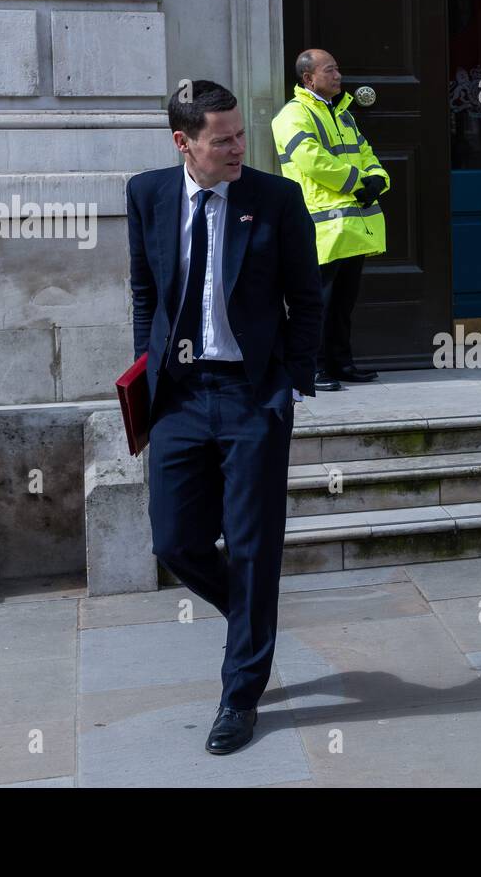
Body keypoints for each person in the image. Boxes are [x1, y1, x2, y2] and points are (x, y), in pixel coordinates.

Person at [127, 80, 323, 755]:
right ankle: (253, 613)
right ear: (183, 143)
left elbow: (308, 297)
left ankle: (239, 693)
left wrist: (288, 383)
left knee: (251, 543)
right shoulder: (146, 193)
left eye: (242, 134)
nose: (239, 147)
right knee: (174, 542)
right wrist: (144, 370)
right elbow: (144, 289)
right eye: (223, 139)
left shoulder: (276, 198)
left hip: (250, 394)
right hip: (179, 394)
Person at [271, 48, 390, 391]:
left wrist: (378, 180)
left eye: (337, 69)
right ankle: (311, 368)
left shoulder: (343, 115)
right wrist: (358, 183)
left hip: (351, 225)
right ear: (308, 79)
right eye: (330, 70)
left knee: (342, 302)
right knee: (315, 304)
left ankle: (340, 363)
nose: (338, 75)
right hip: (320, 225)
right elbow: (311, 160)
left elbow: (366, 153)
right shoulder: (292, 115)